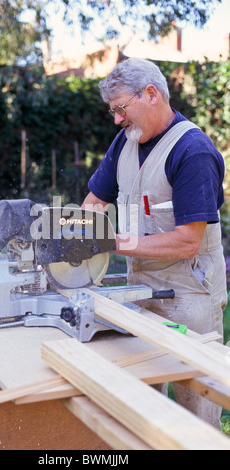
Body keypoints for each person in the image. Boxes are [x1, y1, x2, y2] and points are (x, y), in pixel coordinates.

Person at [82, 58, 227, 429]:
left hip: (189, 295)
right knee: (145, 411)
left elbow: (187, 243)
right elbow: (95, 202)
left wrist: (108, 242)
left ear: (150, 94)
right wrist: (75, 232)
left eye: (120, 109)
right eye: (112, 111)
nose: (116, 119)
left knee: (195, 414)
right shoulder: (126, 141)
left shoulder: (193, 151)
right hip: (140, 291)